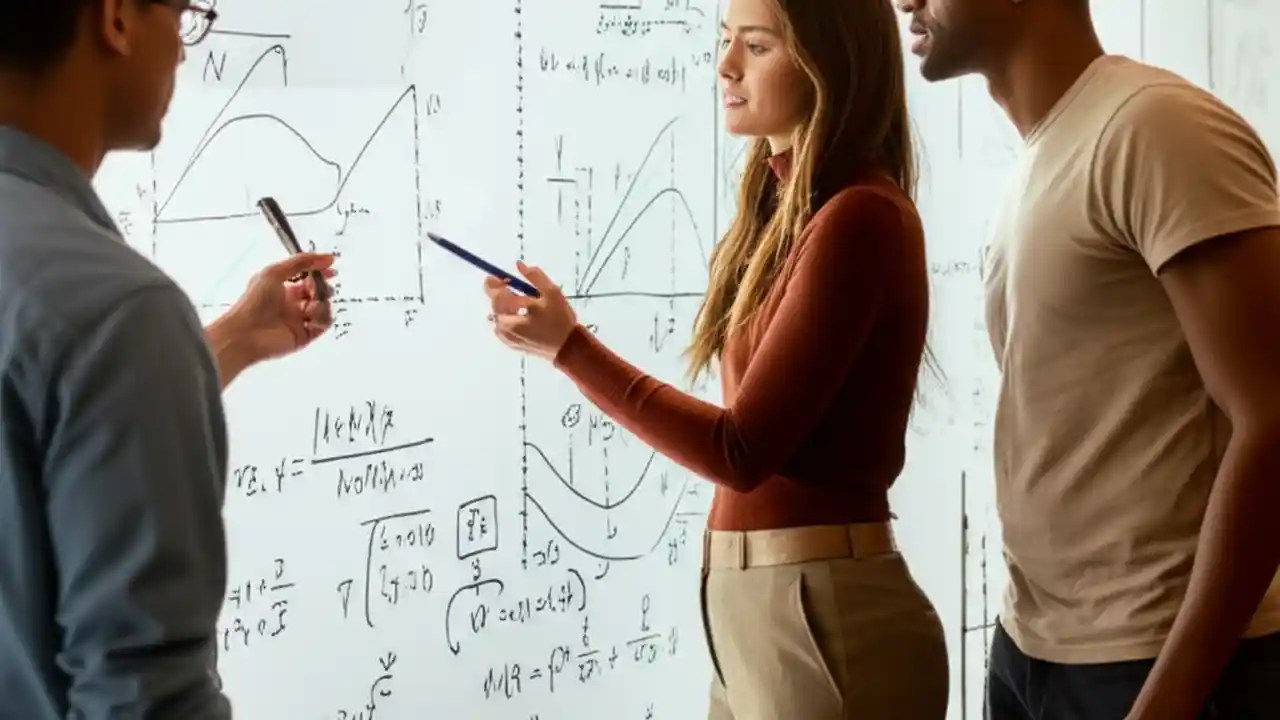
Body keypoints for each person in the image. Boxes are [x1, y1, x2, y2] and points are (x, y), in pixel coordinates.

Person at [486, 0, 949, 716]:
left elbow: (741, 450)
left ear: (829, 64)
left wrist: (571, 349)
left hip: (818, 615)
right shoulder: (790, 211)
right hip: (758, 613)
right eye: (725, 40)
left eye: (756, 46)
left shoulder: (859, 217)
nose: (725, 65)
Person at [894, 1, 1280, 718]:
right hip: (1033, 652)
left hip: (1157, 661)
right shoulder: (1044, 155)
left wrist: (1168, 699)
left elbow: (1273, 417)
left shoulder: (1155, 128)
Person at [0, 1, 334, 717]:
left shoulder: (92, 316)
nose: (184, 49)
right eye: (184, 12)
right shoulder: (117, 310)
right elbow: (145, 702)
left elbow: (33, 449)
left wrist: (235, 338)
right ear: (116, 18)